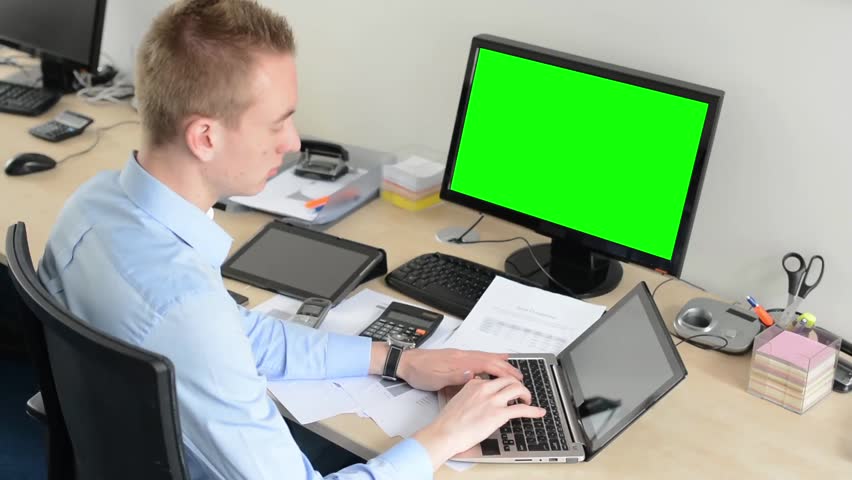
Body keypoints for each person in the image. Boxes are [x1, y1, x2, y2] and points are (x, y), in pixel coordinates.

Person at [38, 0, 545, 478]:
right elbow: (208, 330)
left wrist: (396, 359)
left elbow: (239, 335)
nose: (294, 142)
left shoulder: (91, 205)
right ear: (205, 137)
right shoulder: (185, 309)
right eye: (277, 122)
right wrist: (445, 436)